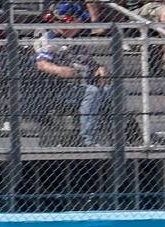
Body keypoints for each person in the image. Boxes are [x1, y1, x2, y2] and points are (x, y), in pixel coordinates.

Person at [33, 2, 113, 147]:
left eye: (75, 21)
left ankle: (119, 136)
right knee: (92, 92)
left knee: (113, 91)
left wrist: (100, 68)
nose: (75, 26)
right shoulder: (48, 39)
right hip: (59, 89)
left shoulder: (76, 41)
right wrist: (59, 70)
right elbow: (41, 64)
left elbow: (88, 62)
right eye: (62, 21)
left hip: (81, 85)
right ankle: (88, 141)